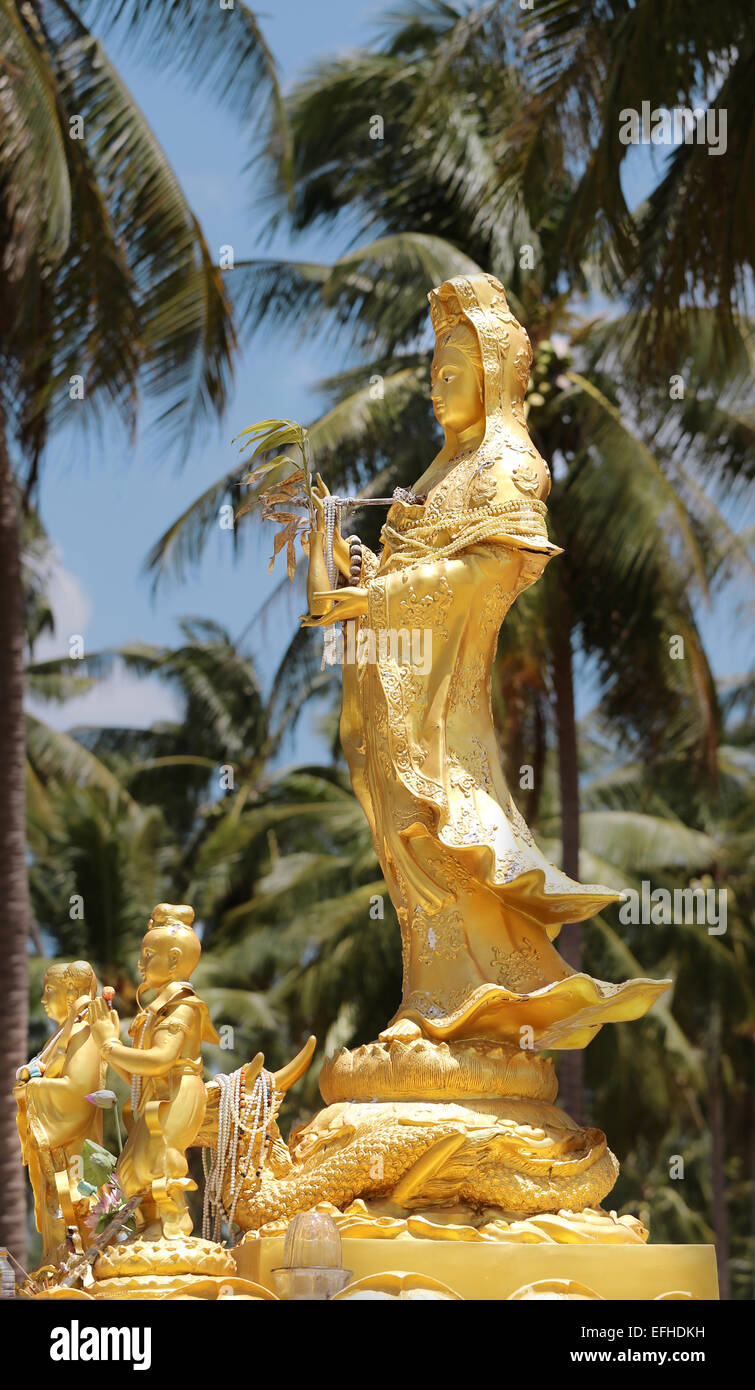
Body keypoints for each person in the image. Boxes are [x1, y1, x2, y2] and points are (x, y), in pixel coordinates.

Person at [301, 273, 669, 1049]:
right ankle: (428, 995)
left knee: (439, 837)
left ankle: (456, 1001)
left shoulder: (506, 465)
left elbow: (493, 570)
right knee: (403, 845)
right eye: (432, 374)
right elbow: (410, 572)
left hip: (440, 706)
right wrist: (361, 572)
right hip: (394, 695)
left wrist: (387, 598)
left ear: (492, 375)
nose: (437, 392)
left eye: (451, 374)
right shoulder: (436, 477)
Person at [87, 903, 219, 1238]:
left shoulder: (184, 1007)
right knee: (130, 1169)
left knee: (159, 1158)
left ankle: (174, 1226)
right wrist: (111, 1043)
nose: (139, 963)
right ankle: (149, 1227)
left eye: (148, 954)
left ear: (174, 960)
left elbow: (161, 1060)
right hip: (157, 1093)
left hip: (178, 1092)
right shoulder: (155, 1013)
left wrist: (110, 1047)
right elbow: (138, 1078)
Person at [14, 960, 103, 1264]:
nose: (42, 999)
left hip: (74, 1149)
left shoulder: (83, 1032)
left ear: (69, 994)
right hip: (56, 1150)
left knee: (76, 1213)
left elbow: (79, 1093)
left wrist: (32, 1089)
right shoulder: (59, 1039)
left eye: (48, 990)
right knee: (57, 1225)